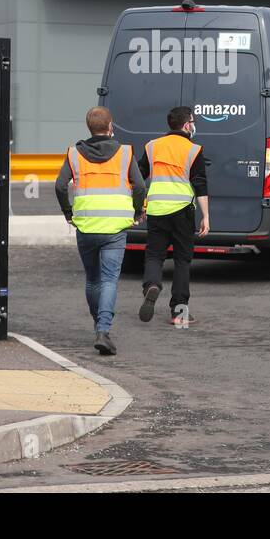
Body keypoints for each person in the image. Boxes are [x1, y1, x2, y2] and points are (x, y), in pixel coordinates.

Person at [54, 106, 146, 355]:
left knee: (93, 279)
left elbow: (60, 186)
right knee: (109, 280)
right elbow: (139, 186)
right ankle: (103, 330)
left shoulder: (74, 154)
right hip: (115, 228)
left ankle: (98, 324)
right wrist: (138, 212)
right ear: (110, 126)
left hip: (85, 226)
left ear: (89, 127)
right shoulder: (125, 153)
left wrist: (68, 213)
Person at [138, 106, 209, 326]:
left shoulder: (152, 147)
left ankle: (152, 284)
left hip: (157, 209)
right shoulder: (193, 149)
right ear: (187, 124)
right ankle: (179, 312)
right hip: (182, 211)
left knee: (154, 256)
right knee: (181, 260)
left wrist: (140, 205)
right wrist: (206, 215)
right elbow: (200, 184)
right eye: (193, 121)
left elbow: (140, 176)